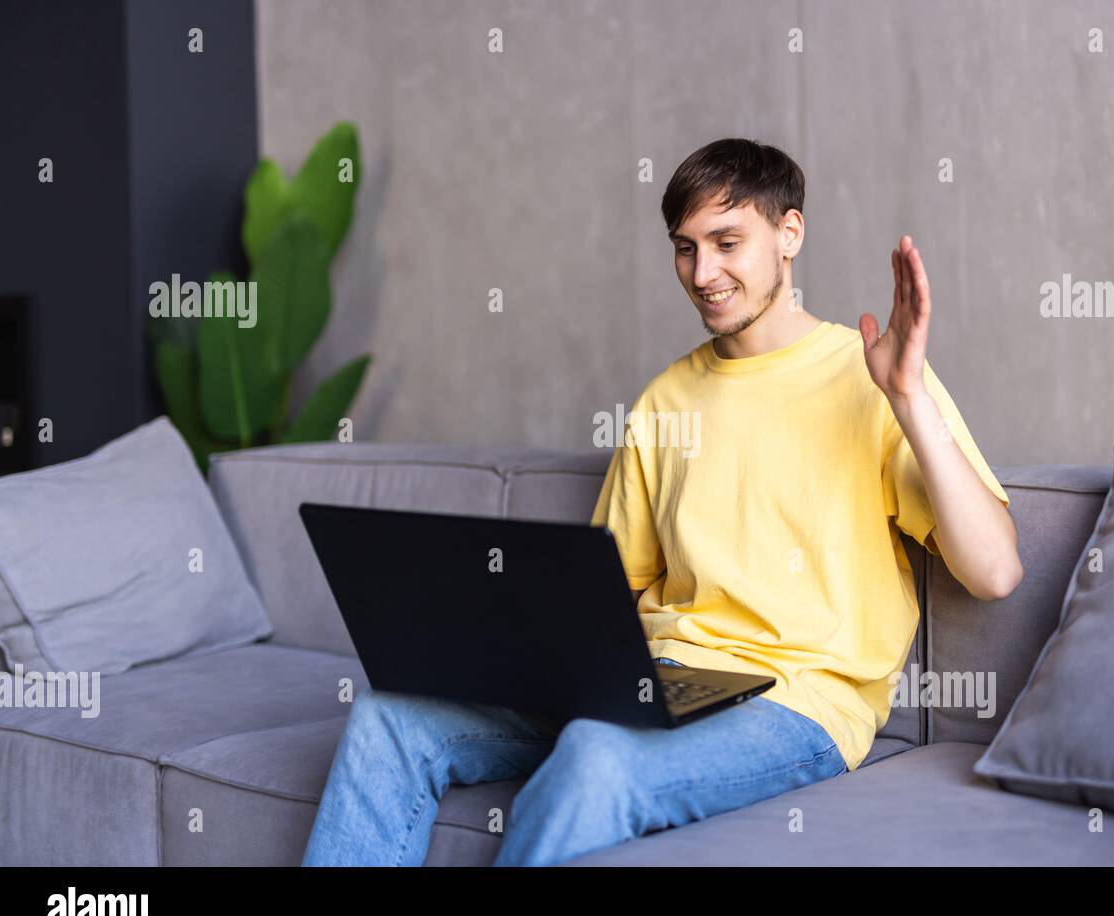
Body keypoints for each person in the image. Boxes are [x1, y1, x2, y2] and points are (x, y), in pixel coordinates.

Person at [302, 137, 1022, 867]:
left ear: (790, 234)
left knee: (598, 755)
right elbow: (610, 592)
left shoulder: (876, 377)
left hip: (795, 702)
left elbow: (996, 572)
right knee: (388, 716)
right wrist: (504, 643)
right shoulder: (663, 399)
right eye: (686, 248)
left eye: (727, 242)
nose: (703, 273)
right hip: (649, 678)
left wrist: (906, 397)